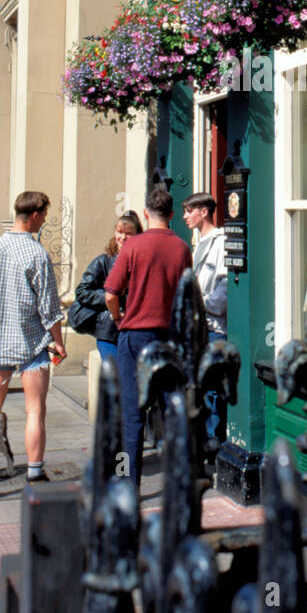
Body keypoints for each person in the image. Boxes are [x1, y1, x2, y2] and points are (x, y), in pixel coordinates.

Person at [0, 191, 65, 502]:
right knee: (35, 411)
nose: (45, 221)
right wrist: (59, 342)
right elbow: (49, 307)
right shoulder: (36, 254)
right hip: (31, 343)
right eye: (45, 215)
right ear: (35, 215)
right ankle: (35, 474)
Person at [103, 186, 192, 487]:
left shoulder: (133, 246)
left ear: (145, 213)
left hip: (134, 336)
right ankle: (179, 482)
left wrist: (118, 318)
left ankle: (126, 481)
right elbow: (188, 297)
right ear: (171, 215)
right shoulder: (182, 248)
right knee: (172, 411)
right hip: (168, 339)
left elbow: (110, 293)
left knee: (130, 415)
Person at [182, 193, 229, 445]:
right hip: (197, 326)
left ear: (204, 211)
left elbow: (224, 289)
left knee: (213, 385)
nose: (185, 216)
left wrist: (203, 305)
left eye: (189, 211)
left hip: (213, 327)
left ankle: (214, 439)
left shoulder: (220, 242)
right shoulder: (197, 243)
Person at [74, 212, 142, 363]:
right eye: (120, 232)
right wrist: (111, 297)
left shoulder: (143, 261)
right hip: (109, 330)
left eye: (129, 234)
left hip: (135, 330)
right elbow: (82, 291)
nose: (123, 237)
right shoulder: (103, 261)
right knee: (116, 377)